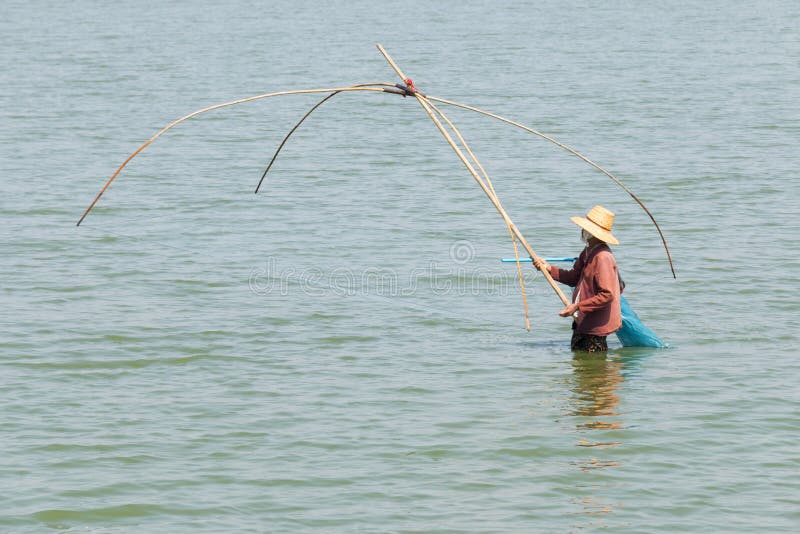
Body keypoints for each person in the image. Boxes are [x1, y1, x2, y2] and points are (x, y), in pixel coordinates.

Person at [534, 205, 622, 352]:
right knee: (581, 367)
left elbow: (607, 295)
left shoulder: (603, 257)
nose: (582, 231)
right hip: (583, 320)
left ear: (593, 233)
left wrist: (578, 306)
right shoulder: (588, 251)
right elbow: (573, 277)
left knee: (593, 369)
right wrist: (548, 269)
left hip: (595, 326)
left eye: (585, 228)